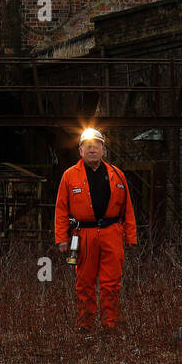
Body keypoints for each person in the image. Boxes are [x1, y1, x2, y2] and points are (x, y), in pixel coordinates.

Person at [54, 128, 137, 333]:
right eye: (88, 146)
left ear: (103, 150)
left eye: (96, 145)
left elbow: (127, 208)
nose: (92, 149)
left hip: (112, 233)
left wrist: (131, 236)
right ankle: (85, 326)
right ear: (80, 151)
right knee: (84, 283)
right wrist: (62, 238)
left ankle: (109, 325)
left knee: (111, 283)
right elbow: (61, 209)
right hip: (84, 235)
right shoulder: (69, 176)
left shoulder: (118, 175)